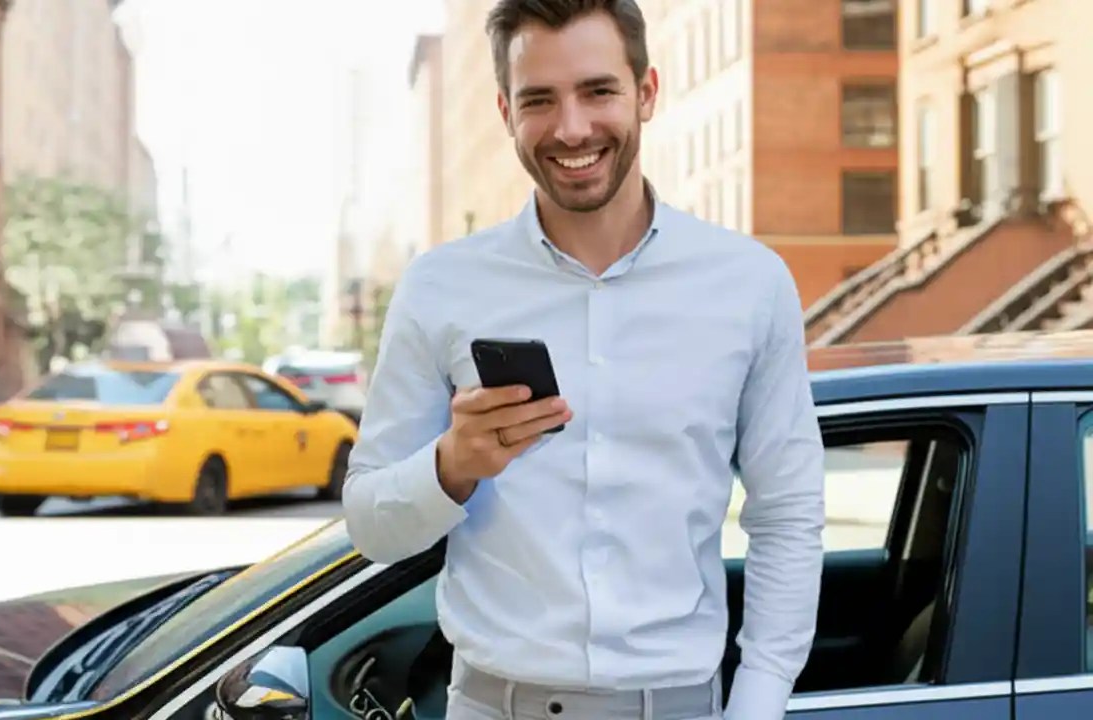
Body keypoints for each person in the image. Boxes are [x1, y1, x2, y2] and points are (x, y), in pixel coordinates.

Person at [341, 1, 825, 718]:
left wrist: (759, 700)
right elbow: (371, 528)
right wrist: (453, 464)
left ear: (647, 92)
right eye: (540, 100)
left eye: (598, 91)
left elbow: (787, 513)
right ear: (507, 111)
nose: (571, 129)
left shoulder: (750, 284)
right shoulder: (441, 286)